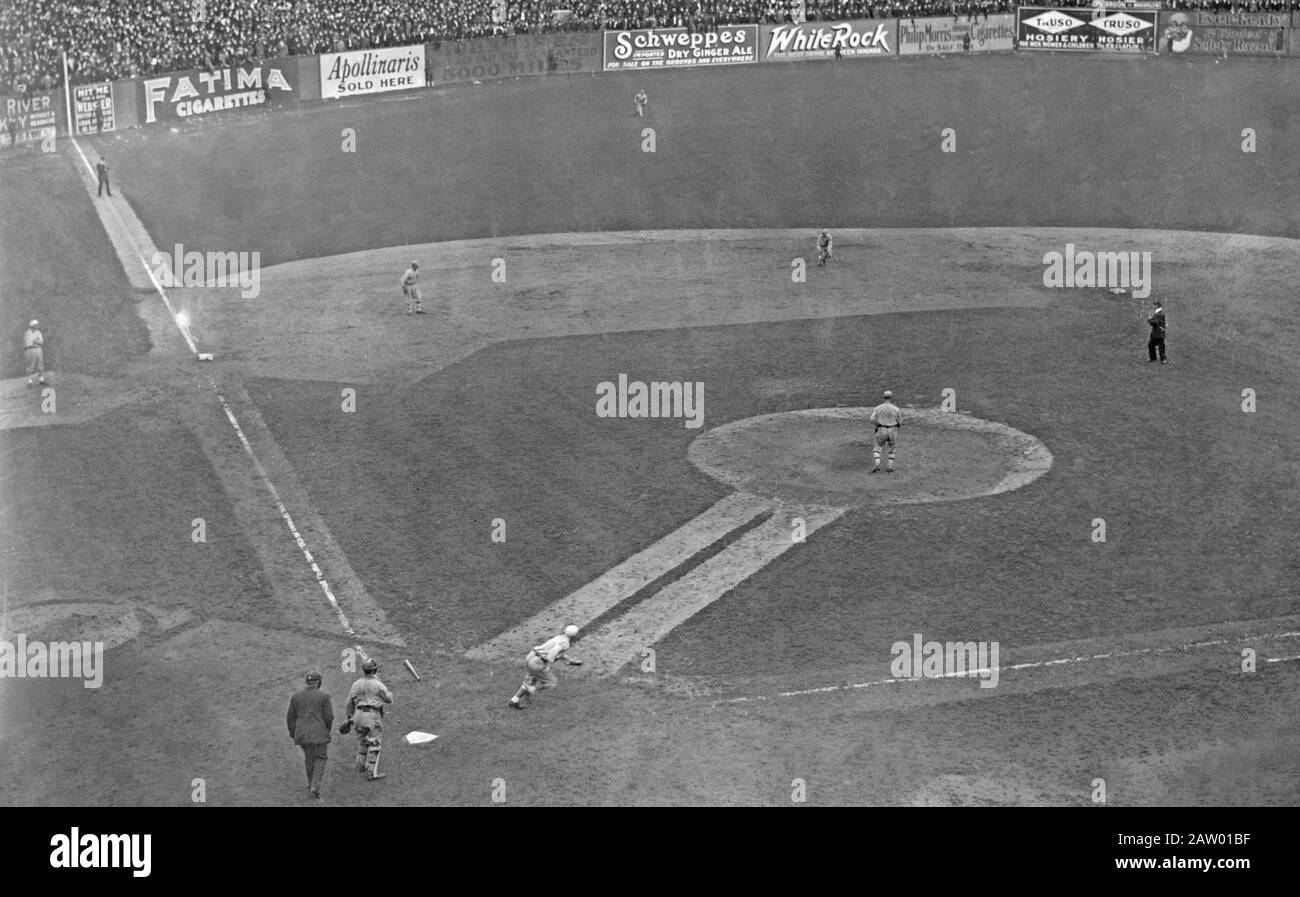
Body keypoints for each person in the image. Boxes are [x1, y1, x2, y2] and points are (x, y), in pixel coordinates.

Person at [508, 624, 582, 709]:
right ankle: (532, 689)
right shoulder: (565, 643)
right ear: (574, 635)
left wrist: (571, 661)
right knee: (551, 682)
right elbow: (554, 651)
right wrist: (547, 663)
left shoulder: (559, 637)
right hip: (538, 662)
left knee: (531, 680)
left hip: (531, 657)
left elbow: (559, 655)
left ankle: (514, 701)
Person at [286, 670, 334, 799]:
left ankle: (310, 783)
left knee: (309, 757)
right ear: (318, 682)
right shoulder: (324, 697)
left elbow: (290, 717)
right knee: (320, 758)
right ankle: (315, 785)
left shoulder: (296, 696)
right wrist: (326, 730)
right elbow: (329, 717)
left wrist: (293, 733)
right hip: (319, 734)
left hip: (301, 734)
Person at [343, 658, 393, 779]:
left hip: (358, 715)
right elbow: (389, 699)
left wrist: (349, 717)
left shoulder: (356, 684)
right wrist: (389, 693)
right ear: (374, 670)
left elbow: (349, 702)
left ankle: (360, 765)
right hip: (371, 715)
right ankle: (372, 772)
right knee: (374, 742)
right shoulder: (378, 684)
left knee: (363, 740)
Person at [868, 389, 902, 473]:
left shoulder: (878, 408)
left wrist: (877, 424)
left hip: (881, 429)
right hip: (892, 430)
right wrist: (897, 426)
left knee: (877, 447)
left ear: (883, 397)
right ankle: (890, 466)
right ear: (891, 398)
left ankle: (877, 464)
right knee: (893, 447)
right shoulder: (895, 408)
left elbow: (871, 419)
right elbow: (900, 421)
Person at [23, 319, 45, 387]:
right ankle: (30, 382)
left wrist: (36, 341)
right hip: (30, 350)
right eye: (36, 325)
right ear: (32, 326)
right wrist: (36, 341)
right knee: (31, 366)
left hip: (38, 349)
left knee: (40, 365)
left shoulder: (38, 332)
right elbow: (28, 343)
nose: (37, 326)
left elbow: (41, 341)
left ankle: (41, 381)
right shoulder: (27, 333)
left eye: (37, 325)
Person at [1147, 300, 1167, 364]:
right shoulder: (1157, 313)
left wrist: (1149, 320)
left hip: (1159, 333)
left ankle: (1163, 359)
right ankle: (1153, 357)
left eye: (1154, 305)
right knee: (1150, 345)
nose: (1153, 306)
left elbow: (1155, 323)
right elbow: (1154, 321)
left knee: (1161, 346)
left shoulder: (1161, 314)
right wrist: (1151, 320)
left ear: (1157, 306)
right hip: (1155, 333)